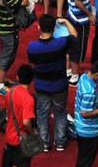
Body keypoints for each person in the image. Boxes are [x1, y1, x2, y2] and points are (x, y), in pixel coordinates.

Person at [27, 13, 75, 152]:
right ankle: (60, 142)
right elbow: (74, 34)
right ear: (54, 28)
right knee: (60, 113)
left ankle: (44, 143)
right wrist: (65, 21)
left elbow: (32, 61)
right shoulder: (60, 43)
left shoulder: (32, 47)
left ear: (39, 27)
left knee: (42, 114)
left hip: (41, 86)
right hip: (60, 86)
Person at [1, 64, 37, 167]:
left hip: (10, 133)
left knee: (14, 166)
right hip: (20, 138)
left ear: (17, 77)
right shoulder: (28, 99)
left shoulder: (11, 91)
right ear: (32, 80)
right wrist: (33, 132)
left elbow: (7, 110)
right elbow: (26, 121)